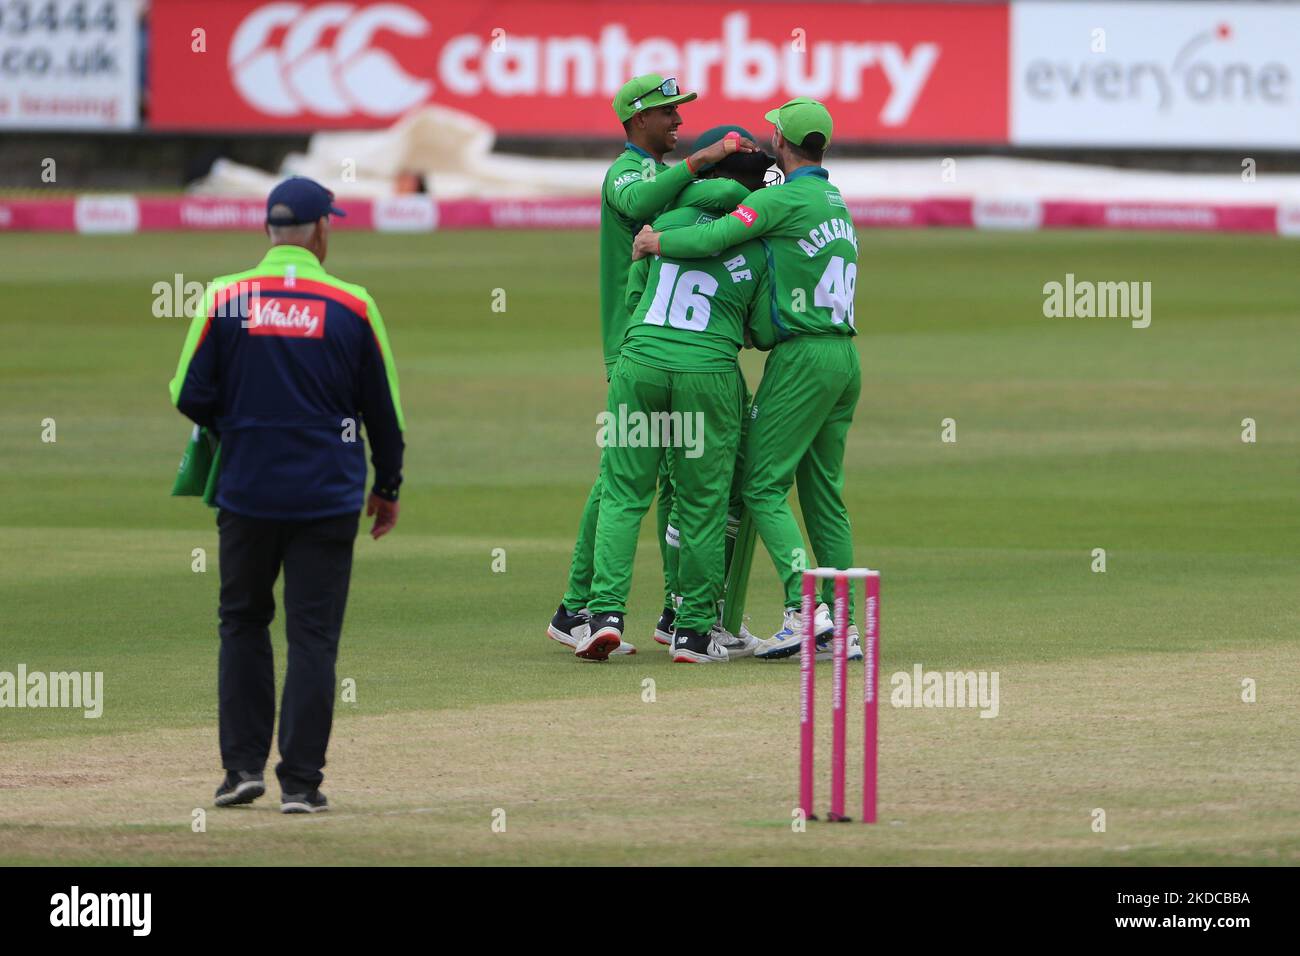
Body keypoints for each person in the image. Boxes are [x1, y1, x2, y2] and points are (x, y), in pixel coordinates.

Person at [169, 177, 405, 812]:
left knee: (242, 623)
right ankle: (300, 784)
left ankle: (240, 771)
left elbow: (187, 393)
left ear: (267, 233)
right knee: (312, 638)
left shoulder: (226, 297)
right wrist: (387, 487)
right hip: (327, 496)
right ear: (322, 230)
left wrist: (242, 425)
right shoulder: (353, 304)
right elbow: (384, 411)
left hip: (247, 491)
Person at [632, 98, 863, 660]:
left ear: (782, 142)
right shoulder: (837, 201)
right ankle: (845, 625)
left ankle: (802, 611)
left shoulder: (781, 198)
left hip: (802, 357)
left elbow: (714, 240)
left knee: (759, 484)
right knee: (823, 496)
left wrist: (657, 242)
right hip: (845, 357)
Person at [547, 73, 755, 656]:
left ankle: (662, 610)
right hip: (631, 342)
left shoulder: (664, 182)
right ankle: (580, 606)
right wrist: (710, 162)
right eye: (669, 113)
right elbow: (640, 203)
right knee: (625, 482)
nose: (679, 124)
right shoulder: (628, 171)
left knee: (654, 480)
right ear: (639, 118)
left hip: (646, 350)